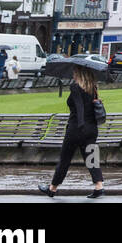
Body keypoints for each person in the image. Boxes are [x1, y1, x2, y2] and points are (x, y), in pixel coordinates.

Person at [38, 66, 104, 198]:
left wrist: (80, 125)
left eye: (74, 73)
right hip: (92, 129)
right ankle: (99, 186)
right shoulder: (93, 88)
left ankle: (52, 188)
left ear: (79, 74)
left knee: (65, 159)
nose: (73, 75)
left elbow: (79, 108)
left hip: (77, 129)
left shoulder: (75, 88)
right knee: (91, 158)